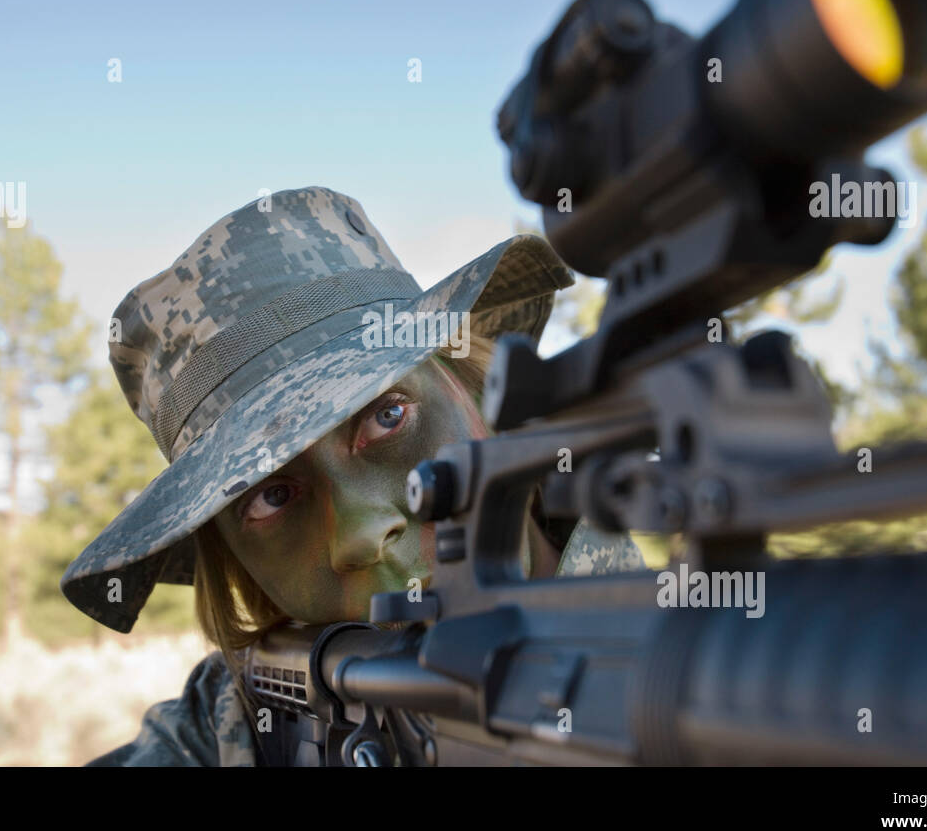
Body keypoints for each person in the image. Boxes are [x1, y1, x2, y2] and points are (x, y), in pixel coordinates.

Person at [60, 187, 644, 766]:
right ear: (236, 560)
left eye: (388, 417)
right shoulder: (230, 724)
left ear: (479, 392)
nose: (360, 533)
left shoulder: (694, 666)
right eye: (271, 495)